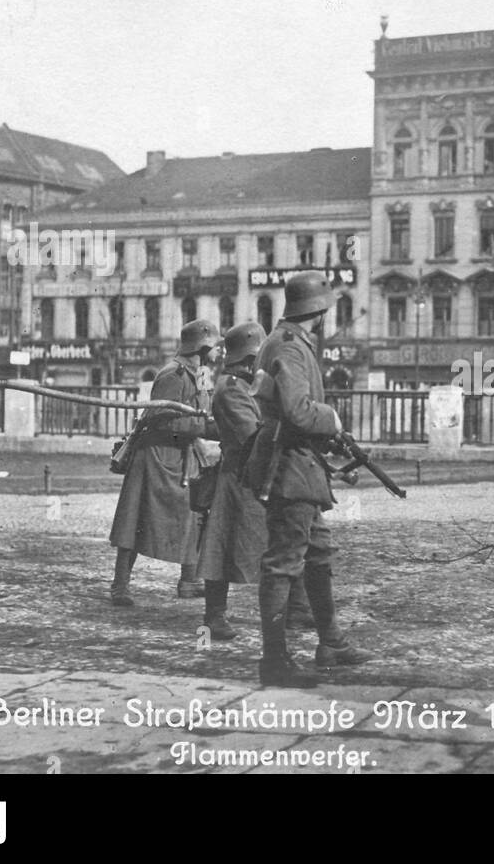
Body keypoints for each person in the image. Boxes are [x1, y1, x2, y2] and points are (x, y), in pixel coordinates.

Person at [249, 271, 373, 688]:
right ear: (318, 312)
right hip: (290, 470)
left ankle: (331, 642)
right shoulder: (289, 348)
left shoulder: (284, 341)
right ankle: (275, 662)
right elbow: (299, 412)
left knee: (318, 553)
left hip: (301, 466)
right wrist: (332, 418)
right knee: (283, 563)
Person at [109, 319, 220, 606]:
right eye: (215, 346)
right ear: (203, 346)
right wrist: (208, 428)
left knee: (192, 516)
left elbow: (199, 413)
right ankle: (120, 586)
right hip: (156, 456)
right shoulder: (173, 374)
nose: (218, 351)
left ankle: (189, 581)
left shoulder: (199, 373)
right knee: (134, 520)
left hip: (181, 456)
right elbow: (160, 419)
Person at [196, 322, 269, 641]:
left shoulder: (244, 385)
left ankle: (296, 609)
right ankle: (213, 616)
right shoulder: (231, 388)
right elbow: (251, 436)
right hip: (238, 477)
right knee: (221, 547)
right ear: (250, 359)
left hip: (248, 476)